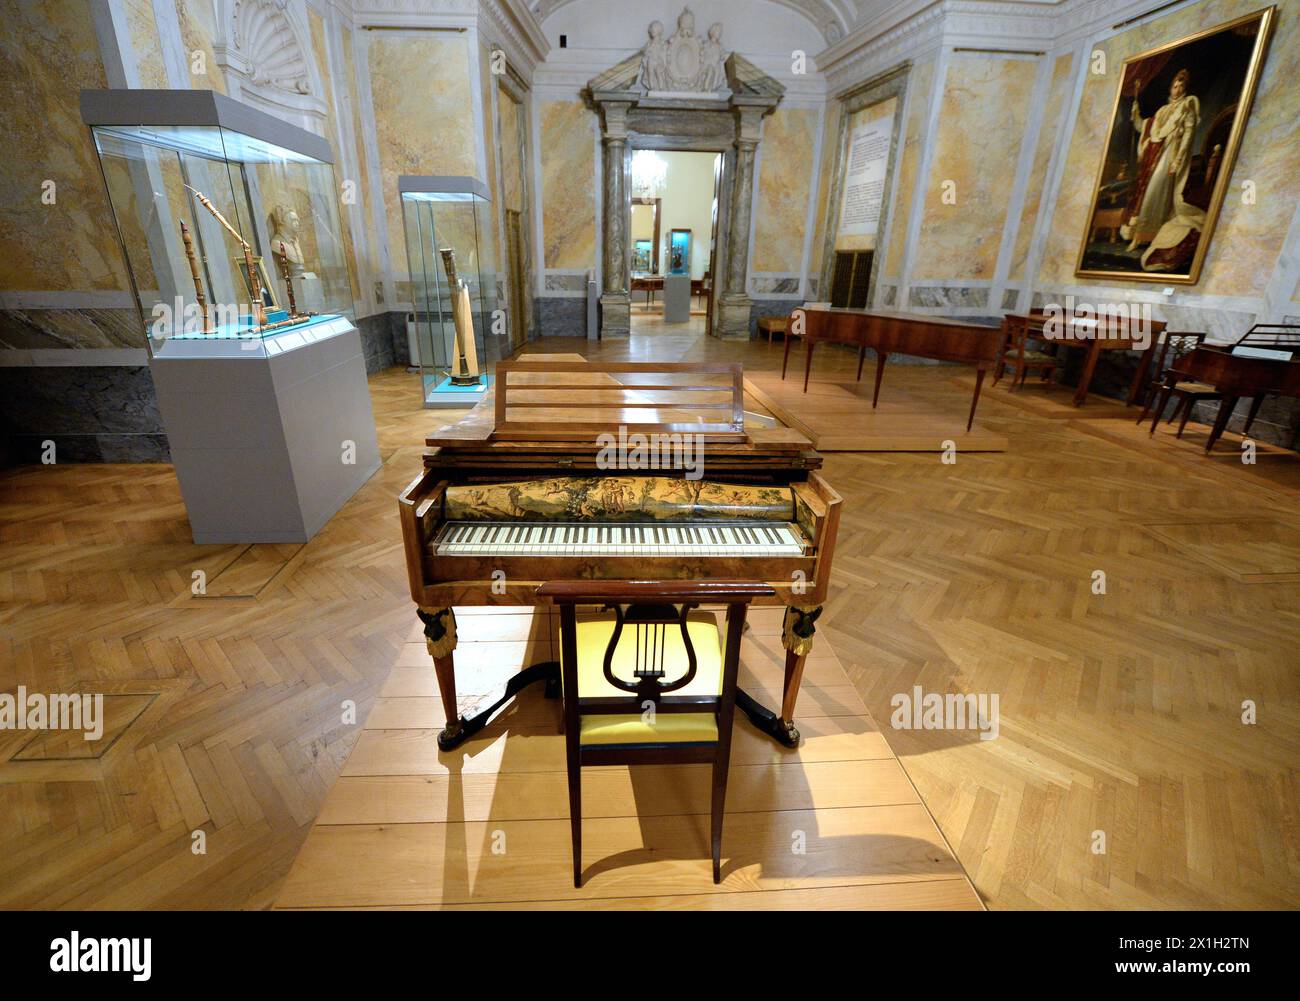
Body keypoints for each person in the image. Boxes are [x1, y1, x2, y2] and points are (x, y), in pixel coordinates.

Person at [1119, 68, 1200, 255]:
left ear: (1184, 89)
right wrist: (1137, 114)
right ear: (1170, 88)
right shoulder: (1162, 110)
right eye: (1174, 86)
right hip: (1152, 156)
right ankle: (1137, 235)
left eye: (1180, 87)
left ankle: (1148, 235)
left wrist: (1177, 161)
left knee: (1155, 194)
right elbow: (1146, 129)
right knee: (1144, 194)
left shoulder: (1186, 107)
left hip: (1169, 155)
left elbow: (1188, 136)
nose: (1177, 90)